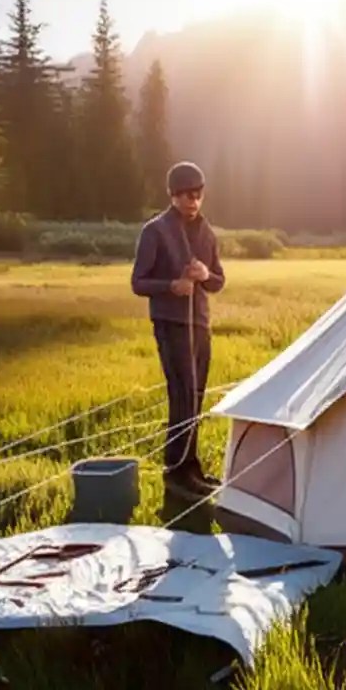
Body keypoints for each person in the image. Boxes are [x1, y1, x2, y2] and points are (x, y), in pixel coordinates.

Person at [130, 161, 226, 498]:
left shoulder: (207, 232)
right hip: (171, 325)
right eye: (186, 194)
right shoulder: (154, 231)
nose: (193, 201)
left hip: (200, 324)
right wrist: (172, 285)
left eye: (198, 194)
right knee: (182, 394)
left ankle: (191, 467)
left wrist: (203, 277)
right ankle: (176, 471)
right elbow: (138, 282)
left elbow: (218, 281)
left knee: (197, 394)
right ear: (172, 195)